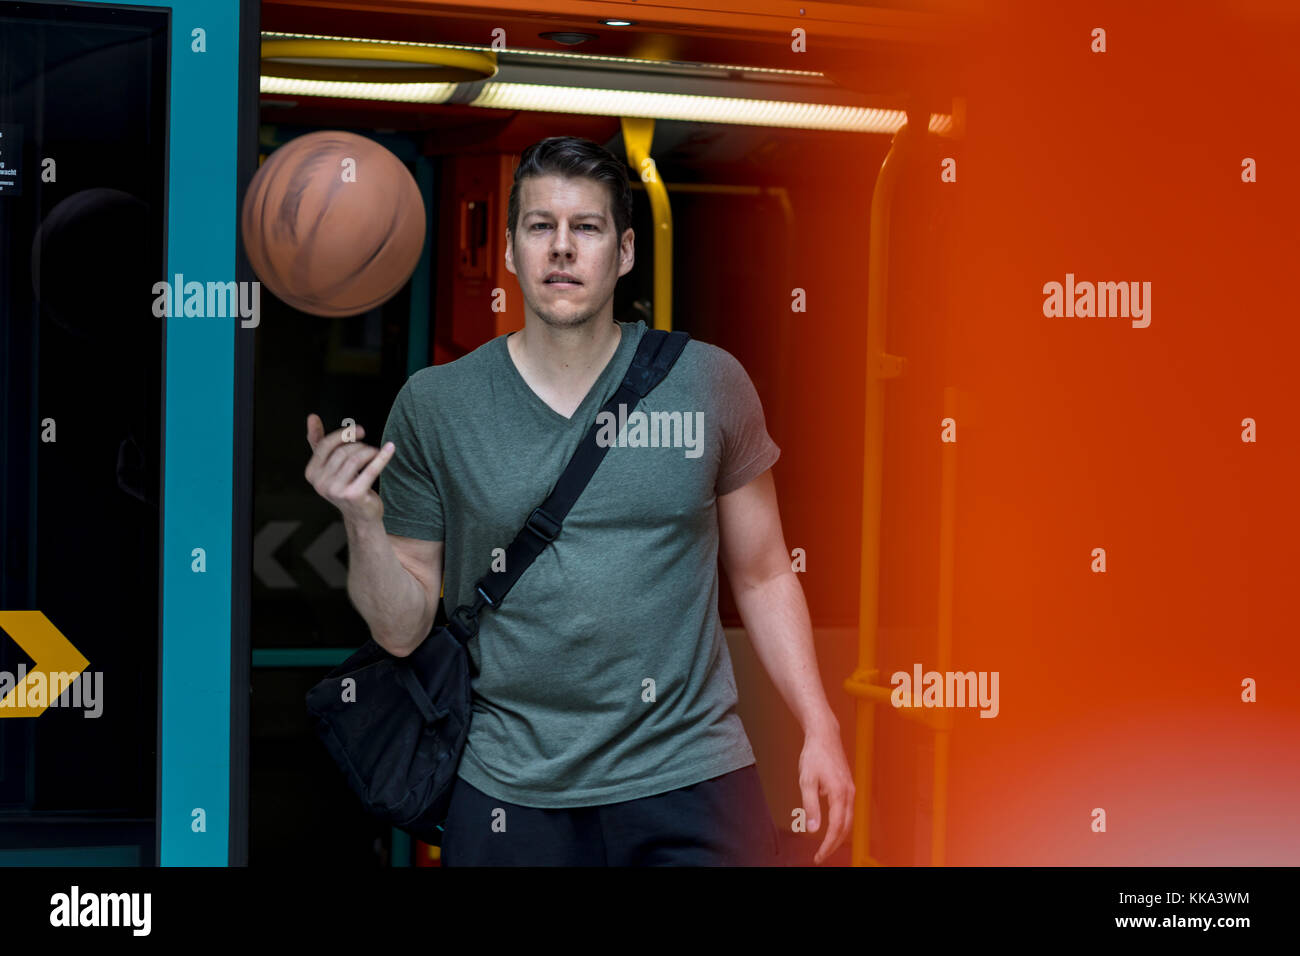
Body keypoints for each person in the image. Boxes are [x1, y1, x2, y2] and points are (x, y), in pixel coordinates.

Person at [304, 136, 853, 866]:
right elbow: (403, 632)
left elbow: (763, 573)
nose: (562, 248)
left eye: (586, 228)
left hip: (691, 773)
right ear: (508, 251)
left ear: (624, 252)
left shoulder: (709, 384)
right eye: (540, 226)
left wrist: (820, 725)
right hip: (510, 791)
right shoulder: (436, 405)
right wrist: (363, 523)